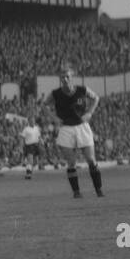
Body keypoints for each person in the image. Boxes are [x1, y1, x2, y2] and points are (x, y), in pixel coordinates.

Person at [51, 65, 104, 199]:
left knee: (91, 160)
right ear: (60, 79)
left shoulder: (82, 90)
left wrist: (90, 113)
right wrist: (54, 118)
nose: (65, 79)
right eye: (62, 77)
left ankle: (99, 190)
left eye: (67, 76)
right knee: (71, 162)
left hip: (82, 126)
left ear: (71, 77)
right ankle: (76, 192)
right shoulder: (56, 93)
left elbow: (96, 98)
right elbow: (44, 105)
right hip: (66, 128)